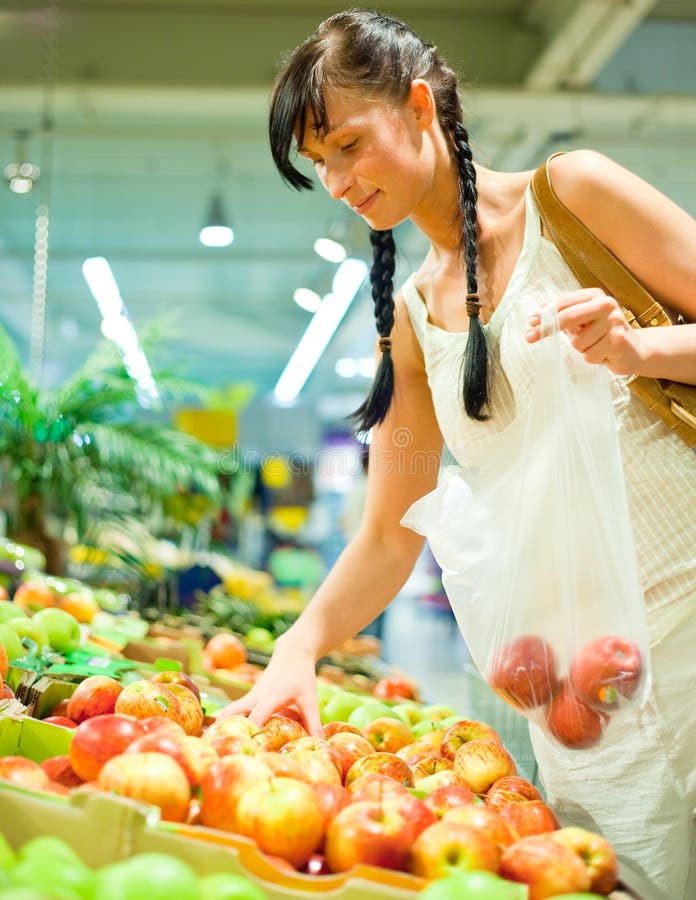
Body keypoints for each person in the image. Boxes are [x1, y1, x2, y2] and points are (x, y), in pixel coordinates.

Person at [223, 10, 696, 897]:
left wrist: (643, 351)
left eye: (350, 146)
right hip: (589, 698)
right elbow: (389, 534)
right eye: (320, 165)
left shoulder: (575, 194)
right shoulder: (412, 321)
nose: (337, 181)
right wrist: (301, 645)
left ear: (417, 107)